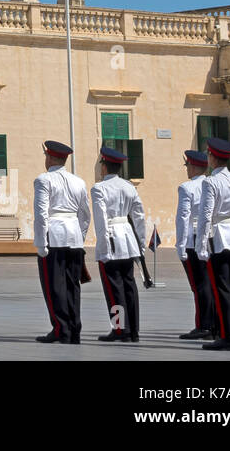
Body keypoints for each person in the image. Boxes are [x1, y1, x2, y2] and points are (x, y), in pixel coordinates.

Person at [195, 137, 230, 351]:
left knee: (222, 289)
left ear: (212, 157)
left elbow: (205, 215)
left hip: (218, 237)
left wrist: (201, 245)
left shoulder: (210, 182)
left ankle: (228, 336)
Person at [33, 140, 90, 344]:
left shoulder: (43, 180)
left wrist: (41, 243)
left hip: (54, 236)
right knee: (72, 286)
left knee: (53, 286)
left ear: (49, 157)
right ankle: (74, 328)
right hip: (74, 236)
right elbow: (85, 214)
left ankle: (60, 328)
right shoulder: (79, 181)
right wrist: (80, 237)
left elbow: (41, 213)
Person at [91, 147, 146, 342]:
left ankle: (120, 328)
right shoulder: (129, 186)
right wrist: (141, 243)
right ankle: (134, 330)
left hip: (112, 239)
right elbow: (139, 216)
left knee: (114, 288)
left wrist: (104, 248)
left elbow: (101, 221)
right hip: (128, 239)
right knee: (129, 286)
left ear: (104, 167)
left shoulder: (99, 188)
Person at [176, 149, 216, 340]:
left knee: (199, 285)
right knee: (211, 283)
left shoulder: (187, 187)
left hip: (193, 238)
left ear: (192, 167)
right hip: (211, 237)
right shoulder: (214, 184)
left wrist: (181, 245)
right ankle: (215, 324)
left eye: (187, 166)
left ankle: (203, 325)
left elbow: (183, 218)